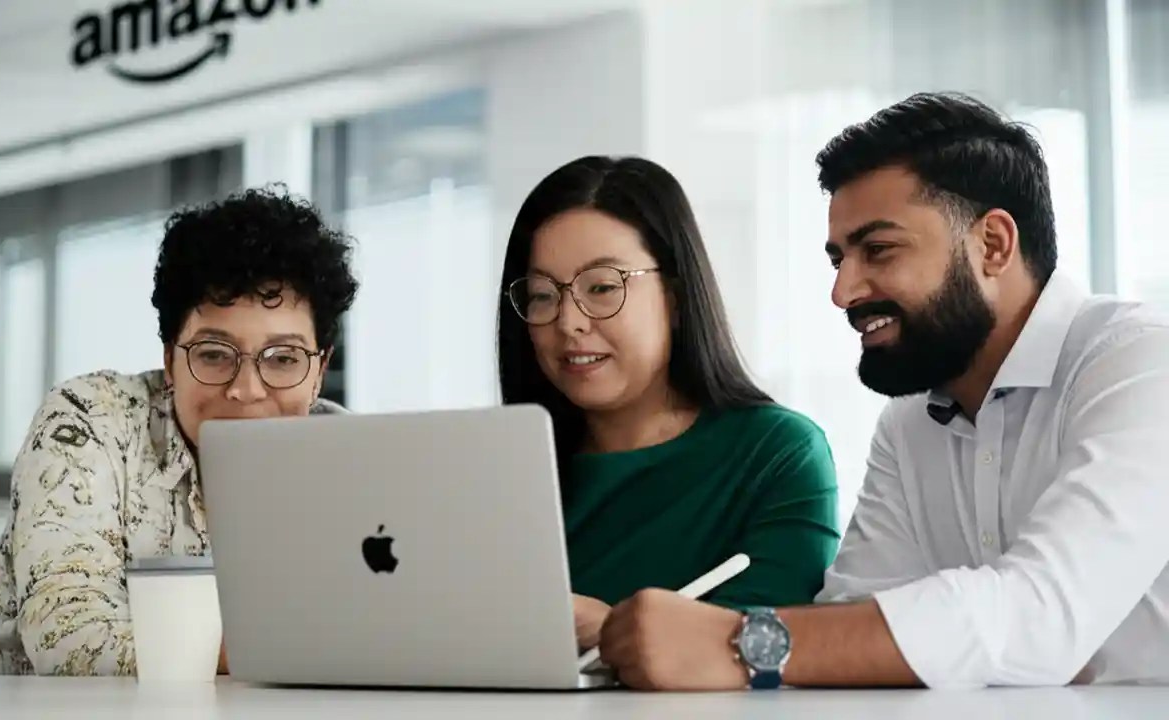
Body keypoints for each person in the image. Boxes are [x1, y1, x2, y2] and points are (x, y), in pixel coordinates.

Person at [590, 92, 1169, 691]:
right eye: (838, 258)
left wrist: (737, 643)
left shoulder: (1142, 362)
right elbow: (849, 621)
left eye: (879, 250)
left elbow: (1040, 615)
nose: (843, 292)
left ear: (993, 244)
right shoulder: (910, 422)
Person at [0, 187, 358, 676]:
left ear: (320, 371)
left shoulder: (342, 454)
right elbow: (70, 641)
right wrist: (294, 649)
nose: (247, 391)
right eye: (214, 353)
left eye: (283, 359)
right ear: (170, 359)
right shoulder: (91, 420)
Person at [496, 155, 841, 652]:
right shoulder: (505, 468)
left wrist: (612, 630)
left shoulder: (777, 453)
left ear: (675, 298)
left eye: (601, 288)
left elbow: (777, 650)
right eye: (542, 294)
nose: (568, 321)